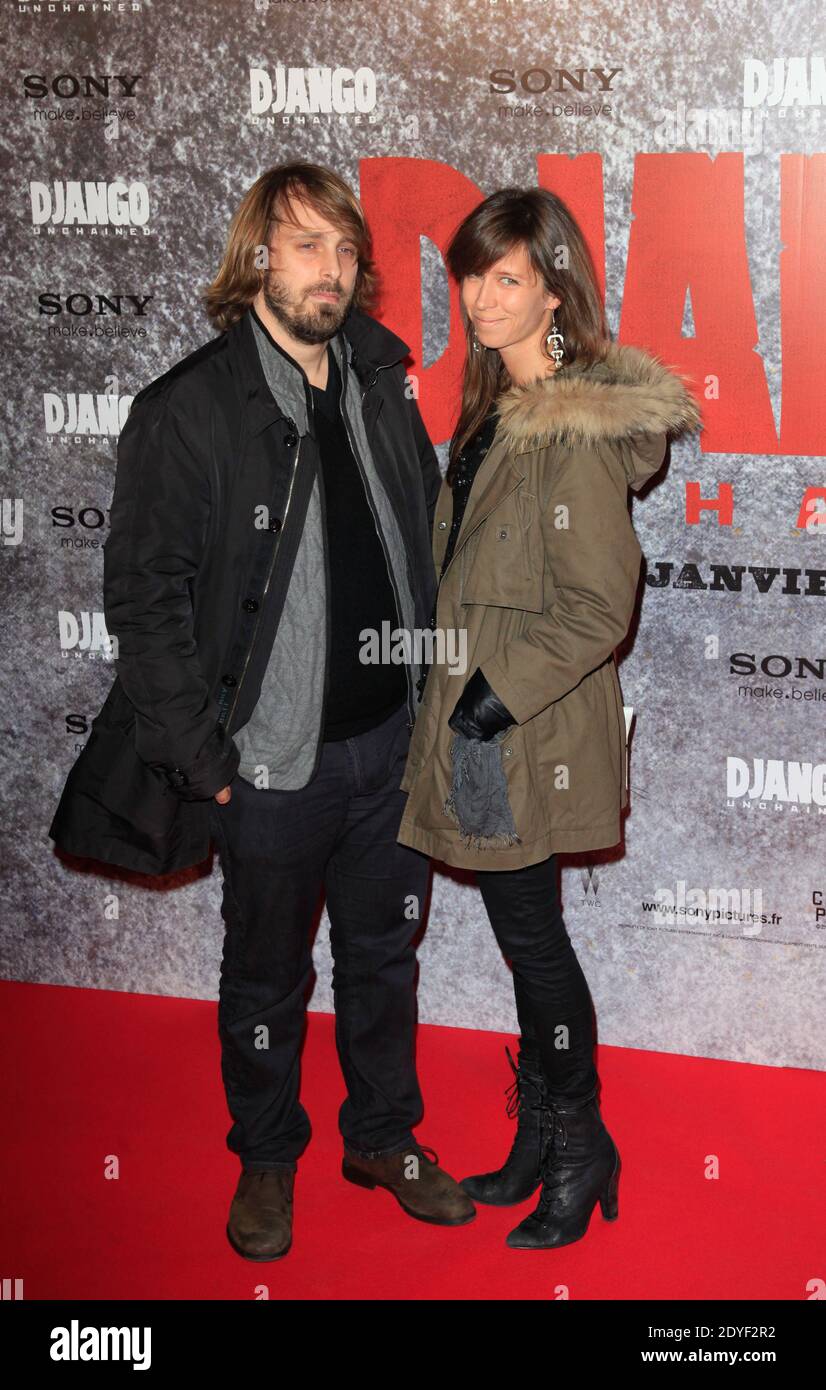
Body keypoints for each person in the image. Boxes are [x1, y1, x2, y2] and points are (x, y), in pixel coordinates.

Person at [49, 161, 475, 1262]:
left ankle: (382, 1136)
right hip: (269, 766)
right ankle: (268, 1152)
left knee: (384, 959)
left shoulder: (378, 380)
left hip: (389, 750)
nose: (329, 271)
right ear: (254, 260)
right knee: (265, 975)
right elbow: (144, 604)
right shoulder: (187, 411)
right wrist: (210, 762)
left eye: (344, 250)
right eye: (303, 246)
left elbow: (418, 548)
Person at [396, 186, 702, 1250]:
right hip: (488, 728)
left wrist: (478, 712)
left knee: (536, 948)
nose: (481, 298)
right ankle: (542, 1137)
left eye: (507, 279)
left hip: (519, 731)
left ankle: (579, 1149)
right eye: (471, 277)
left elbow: (595, 607)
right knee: (531, 944)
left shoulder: (566, 426)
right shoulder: (495, 413)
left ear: (553, 291)